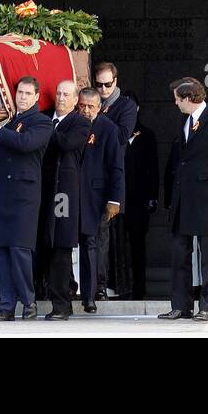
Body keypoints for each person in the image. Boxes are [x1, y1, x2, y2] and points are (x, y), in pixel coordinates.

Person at [159, 77, 208, 323]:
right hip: (185, 198)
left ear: (189, 98)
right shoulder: (186, 121)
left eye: (178, 99)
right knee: (179, 252)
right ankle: (181, 305)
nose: (175, 103)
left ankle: (206, 306)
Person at [0, 75, 53, 320]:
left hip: (23, 197)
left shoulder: (42, 122)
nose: (22, 97)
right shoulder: (8, 122)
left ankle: (28, 302)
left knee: (20, 250)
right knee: (0, 252)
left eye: (27, 93)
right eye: (19, 92)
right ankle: (7, 306)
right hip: (0, 195)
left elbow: (25, 143)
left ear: (36, 97)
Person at [38, 80, 91, 319]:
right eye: (57, 93)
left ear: (74, 100)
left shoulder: (79, 122)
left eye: (66, 94)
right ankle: (46, 298)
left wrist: (47, 129)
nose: (60, 98)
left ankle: (62, 305)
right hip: (43, 192)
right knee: (45, 247)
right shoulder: (45, 118)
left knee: (60, 247)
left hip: (64, 195)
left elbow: (68, 143)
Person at [77, 87, 125, 314]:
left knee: (91, 244)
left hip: (96, 196)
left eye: (91, 107)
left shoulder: (108, 128)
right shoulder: (71, 123)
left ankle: (90, 295)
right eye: (82, 106)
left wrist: (115, 199)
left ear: (99, 107)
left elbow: (116, 167)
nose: (86, 110)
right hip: (71, 195)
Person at [94, 61, 137, 300]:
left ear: (115, 82)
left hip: (112, 174)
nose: (103, 89)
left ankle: (107, 284)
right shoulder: (93, 104)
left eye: (107, 84)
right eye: (98, 85)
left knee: (108, 234)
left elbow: (122, 136)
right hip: (91, 173)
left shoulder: (125, 106)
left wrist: (96, 115)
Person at [122, 96, 159, 299]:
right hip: (117, 199)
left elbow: (153, 168)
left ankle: (138, 289)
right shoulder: (115, 130)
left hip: (139, 200)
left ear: (138, 108)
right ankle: (117, 288)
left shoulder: (147, 135)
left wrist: (153, 196)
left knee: (137, 247)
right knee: (116, 248)